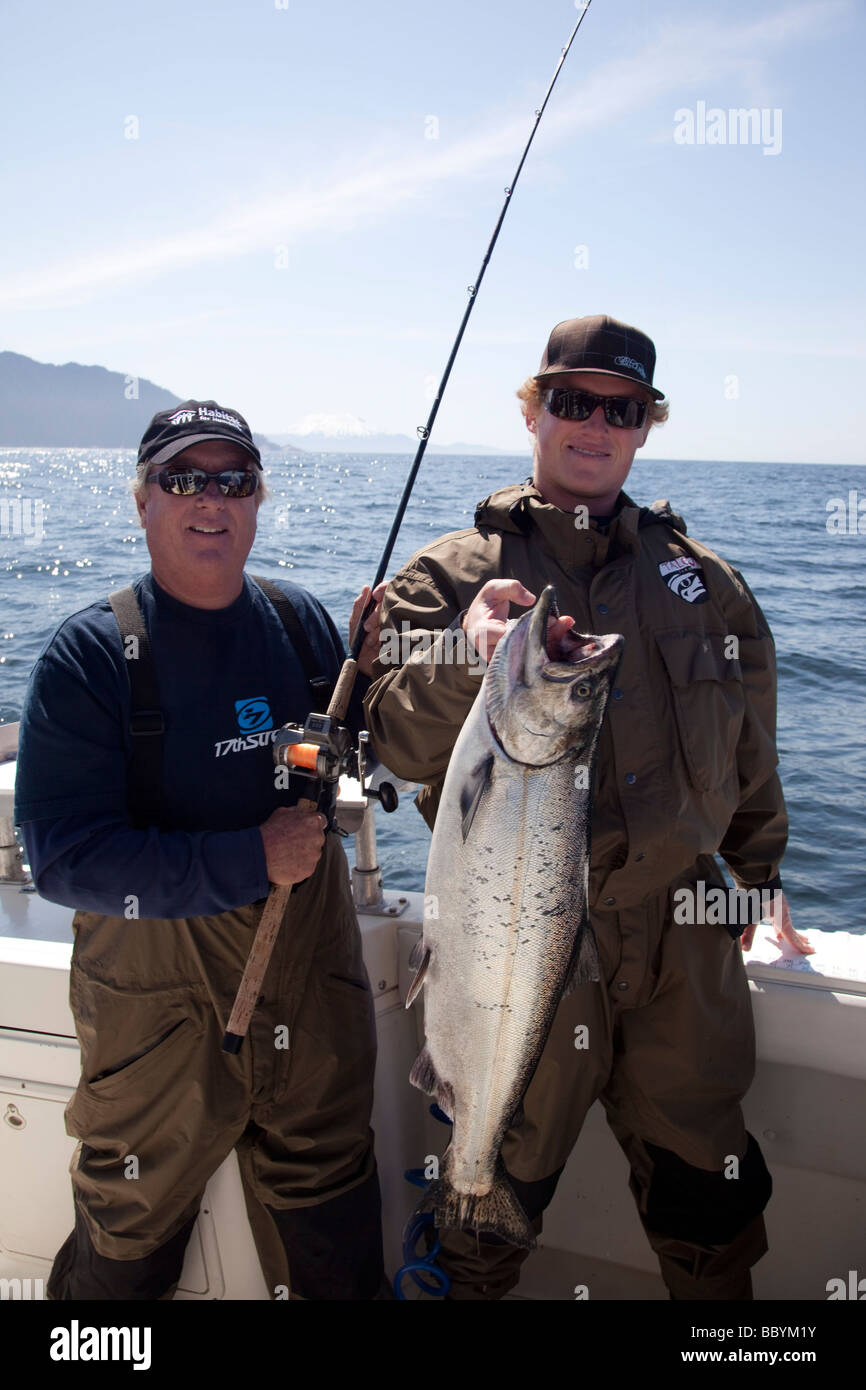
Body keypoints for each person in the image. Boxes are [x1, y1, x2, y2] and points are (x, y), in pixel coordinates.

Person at [363, 314, 813, 1301]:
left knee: (711, 1213)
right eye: (571, 401)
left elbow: (751, 757)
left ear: (645, 425)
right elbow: (383, 738)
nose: (593, 425)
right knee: (479, 1215)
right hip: (510, 951)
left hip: (678, 949)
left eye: (620, 409)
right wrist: (460, 658)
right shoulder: (450, 575)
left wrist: (753, 882)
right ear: (532, 409)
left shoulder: (708, 586)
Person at [14, 399, 387, 1300]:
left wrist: (371, 679)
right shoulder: (90, 655)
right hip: (157, 1026)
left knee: (337, 1245)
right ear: (143, 500)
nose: (208, 498)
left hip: (313, 1004)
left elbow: (339, 752)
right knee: (125, 1250)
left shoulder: (301, 624)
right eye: (183, 478)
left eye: (233, 478)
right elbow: (64, 858)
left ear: (259, 500)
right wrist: (247, 857)